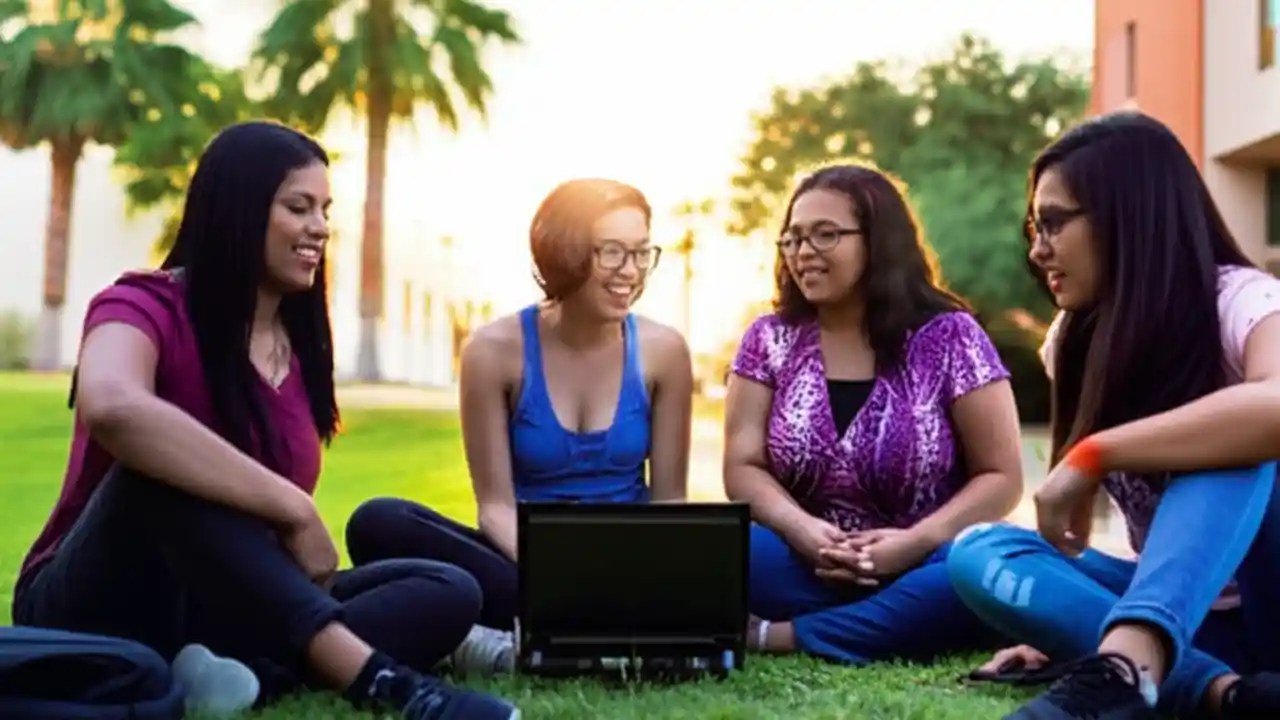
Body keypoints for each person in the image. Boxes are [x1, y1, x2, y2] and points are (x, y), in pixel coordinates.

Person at [10, 121, 518, 720]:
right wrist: (293, 507)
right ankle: (391, 686)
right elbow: (114, 406)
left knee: (447, 588)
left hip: (222, 604)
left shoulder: (298, 351)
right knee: (163, 468)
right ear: (239, 210)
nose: (320, 228)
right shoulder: (140, 306)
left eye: (325, 210)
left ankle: (232, 673)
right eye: (298, 207)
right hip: (96, 599)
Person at [946, 111, 1280, 720]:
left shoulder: (1242, 300)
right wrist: (1060, 620)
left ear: (1129, 215)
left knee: (1232, 437)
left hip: (1271, 595)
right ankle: (1218, 692)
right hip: (1188, 619)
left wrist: (1097, 451)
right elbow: (1071, 542)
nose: (1036, 247)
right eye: (1032, 226)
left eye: (1053, 223)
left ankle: (1125, 663)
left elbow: (1275, 406)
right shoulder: (1070, 341)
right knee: (977, 551)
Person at [345, 178, 694, 675]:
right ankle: (588, 638)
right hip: (522, 561)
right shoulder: (493, 350)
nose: (631, 272)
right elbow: (495, 508)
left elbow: (670, 505)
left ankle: (534, 642)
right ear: (565, 253)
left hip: (624, 562)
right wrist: (557, 573)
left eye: (642, 252)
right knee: (379, 521)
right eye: (612, 253)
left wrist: (640, 578)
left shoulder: (664, 351)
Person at [723, 163, 1024, 664]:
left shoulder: (951, 337)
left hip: (926, 559)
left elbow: (1002, 476)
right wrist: (803, 531)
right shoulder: (768, 339)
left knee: (989, 562)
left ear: (877, 241)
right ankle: (893, 625)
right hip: (804, 561)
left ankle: (787, 636)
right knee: (728, 549)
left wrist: (911, 544)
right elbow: (742, 466)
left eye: (825, 236)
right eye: (793, 238)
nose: (803, 253)